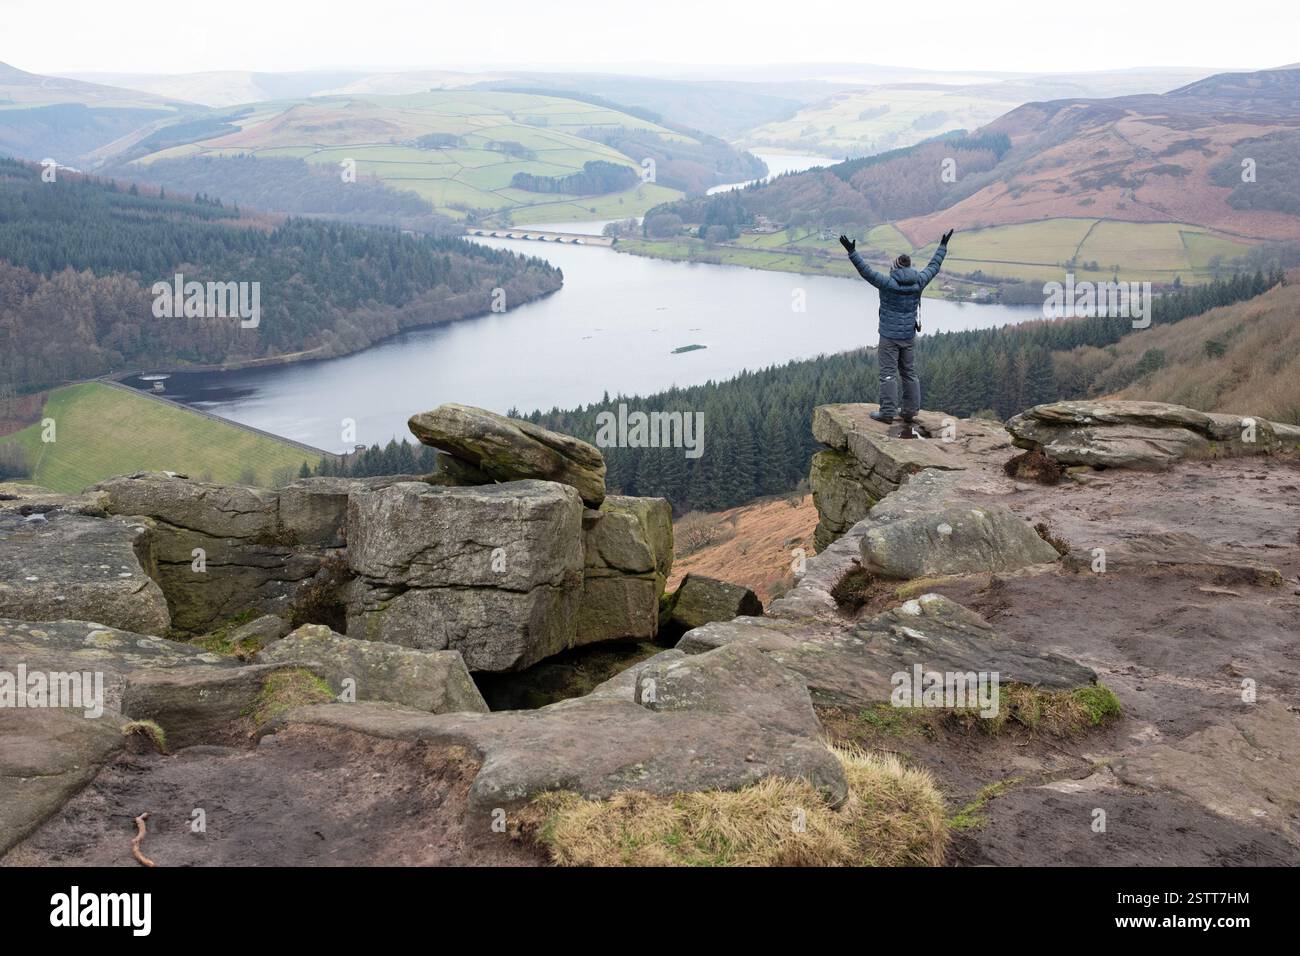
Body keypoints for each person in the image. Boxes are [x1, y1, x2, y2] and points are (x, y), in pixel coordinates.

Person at [839, 229, 953, 424]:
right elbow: (934, 266)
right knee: (909, 373)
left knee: (888, 374)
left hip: (889, 337)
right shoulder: (919, 281)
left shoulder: (888, 284)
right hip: (908, 336)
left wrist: (852, 252)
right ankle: (909, 412)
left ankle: (888, 413)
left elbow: (866, 271)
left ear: (895, 267)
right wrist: (942, 247)